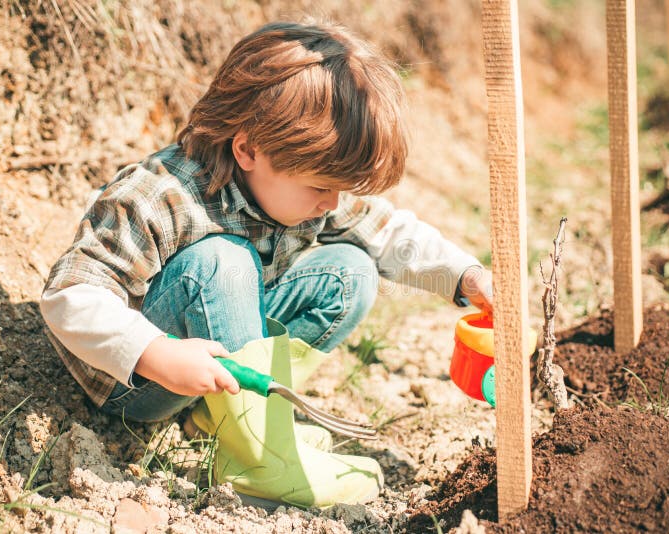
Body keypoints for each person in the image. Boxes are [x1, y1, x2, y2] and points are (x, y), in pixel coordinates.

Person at [40, 20, 493, 509]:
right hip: (139, 382)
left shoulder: (301, 185)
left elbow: (386, 232)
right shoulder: (161, 196)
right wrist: (156, 354)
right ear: (249, 149)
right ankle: (256, 459)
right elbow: (70, 293)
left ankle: (226, 419)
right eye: (321, 187)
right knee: (222, 260)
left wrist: (466, 277)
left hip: (210, 368)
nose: (331, 202)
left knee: (351, 271)